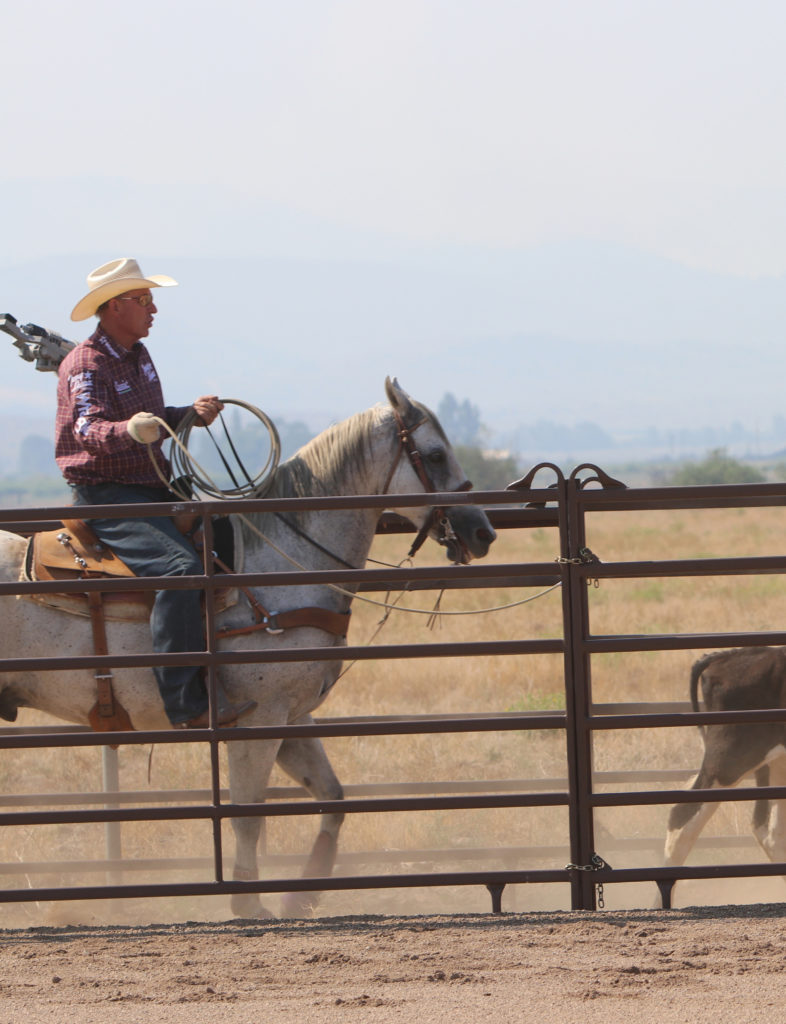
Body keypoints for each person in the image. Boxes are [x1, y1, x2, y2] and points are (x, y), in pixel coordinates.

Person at [55, 257, 256, 728]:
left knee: (227, 534)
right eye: (143, 300)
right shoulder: (85, 364)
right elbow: (88, 429)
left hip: (150, 487)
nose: (154, 309)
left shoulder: (137, 356)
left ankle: (224, 662)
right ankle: (187, 706)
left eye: (150, 299)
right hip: (108, 497)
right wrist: (130, 429)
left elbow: (150, 418)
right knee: (181, 570)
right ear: (114, 307)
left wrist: (187, 414)